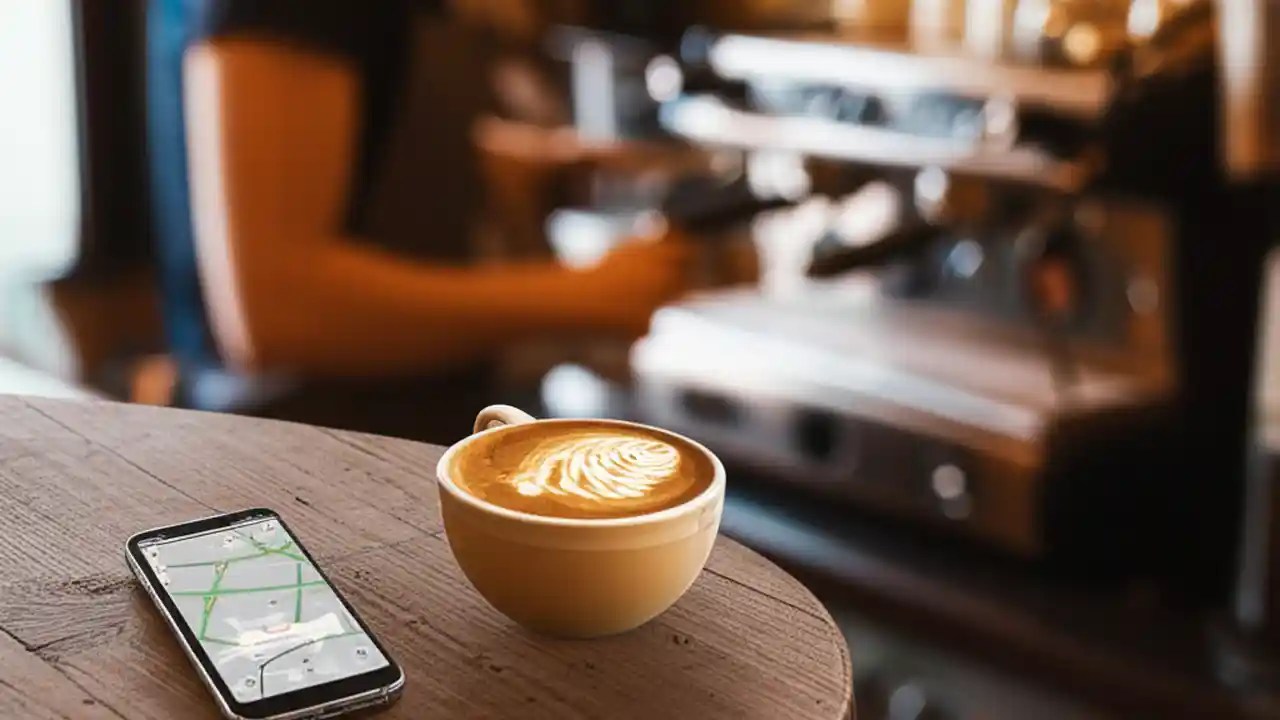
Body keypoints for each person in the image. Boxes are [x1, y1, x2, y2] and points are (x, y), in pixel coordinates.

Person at [146, 0, 690, 440]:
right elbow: (276, 306)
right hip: (302, 463)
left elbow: (359, 142)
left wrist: (504, 167)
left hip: (412, 438)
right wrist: (584, 295)